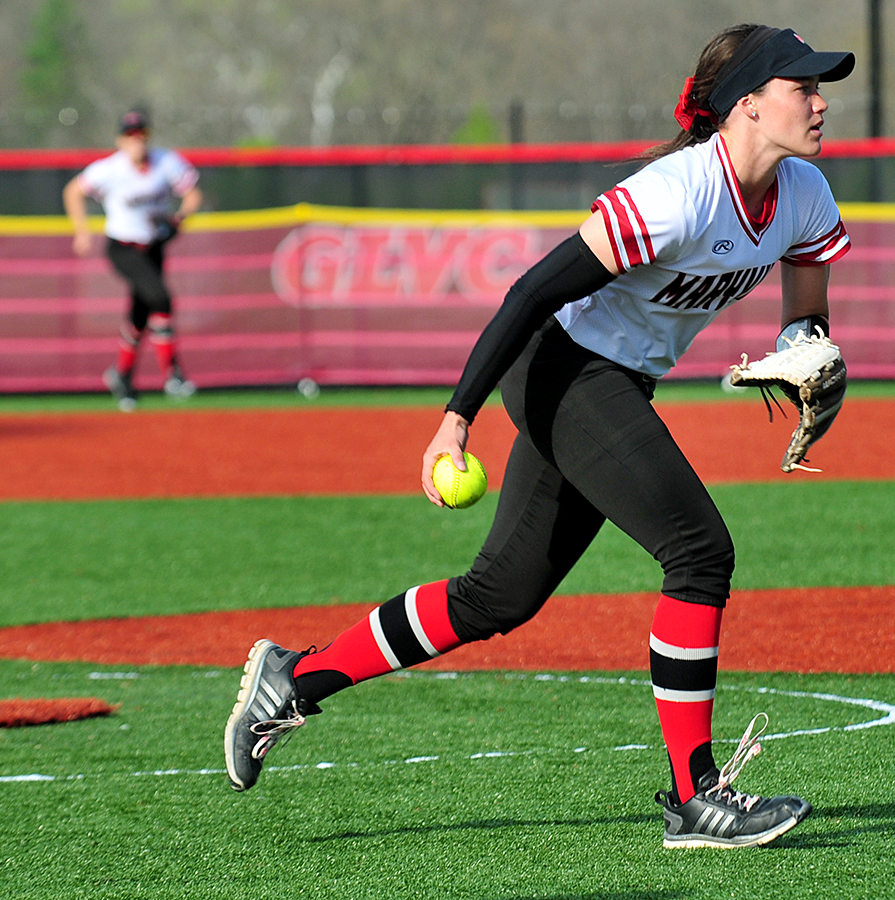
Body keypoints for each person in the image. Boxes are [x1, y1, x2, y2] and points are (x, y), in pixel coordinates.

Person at [224, 24, 854, 849]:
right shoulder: (677, 193)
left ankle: (293, 681)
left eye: (819, 85)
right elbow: (530, 292)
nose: (820, 100)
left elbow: (808, 319)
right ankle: (696, 797)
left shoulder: (804, 194)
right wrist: (456, 420)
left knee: (499, 596)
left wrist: (811, 362)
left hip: (616, 383)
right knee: (699, 551)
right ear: (746, 104)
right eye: (801, 86)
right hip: (557, 365)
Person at [63, 108, 202, 411]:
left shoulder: (166, 162)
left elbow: (192, 195)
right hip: (123, 248)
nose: (136, 140)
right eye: (130, 134)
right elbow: (73, 191)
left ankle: (122, 376)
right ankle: (173, 374)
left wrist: (179, 218)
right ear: (120, 140)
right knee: (161, 298)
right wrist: (81, 231)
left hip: (153, 246)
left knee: (140, 314)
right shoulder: (109, 169)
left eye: (141, 134)